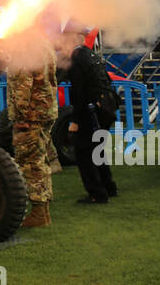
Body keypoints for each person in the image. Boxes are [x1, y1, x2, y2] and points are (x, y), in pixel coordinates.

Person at [6, 20, 58, 227]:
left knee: (30, 164)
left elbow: (22, 85)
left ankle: (38, 212)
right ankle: (42, 211)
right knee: (40, 161)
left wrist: (21, 118)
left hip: (31, 116)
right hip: (45, 110)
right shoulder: (44, 44)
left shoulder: (24, 48)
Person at [65, 33, 118, 204]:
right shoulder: (90, 54)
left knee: (84, 152)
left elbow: (79, 91)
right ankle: (109, 187)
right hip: (106, 105)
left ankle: (97, 193)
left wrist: (75, 120)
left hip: (93, 110)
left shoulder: (76, 57)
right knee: (98, 150)